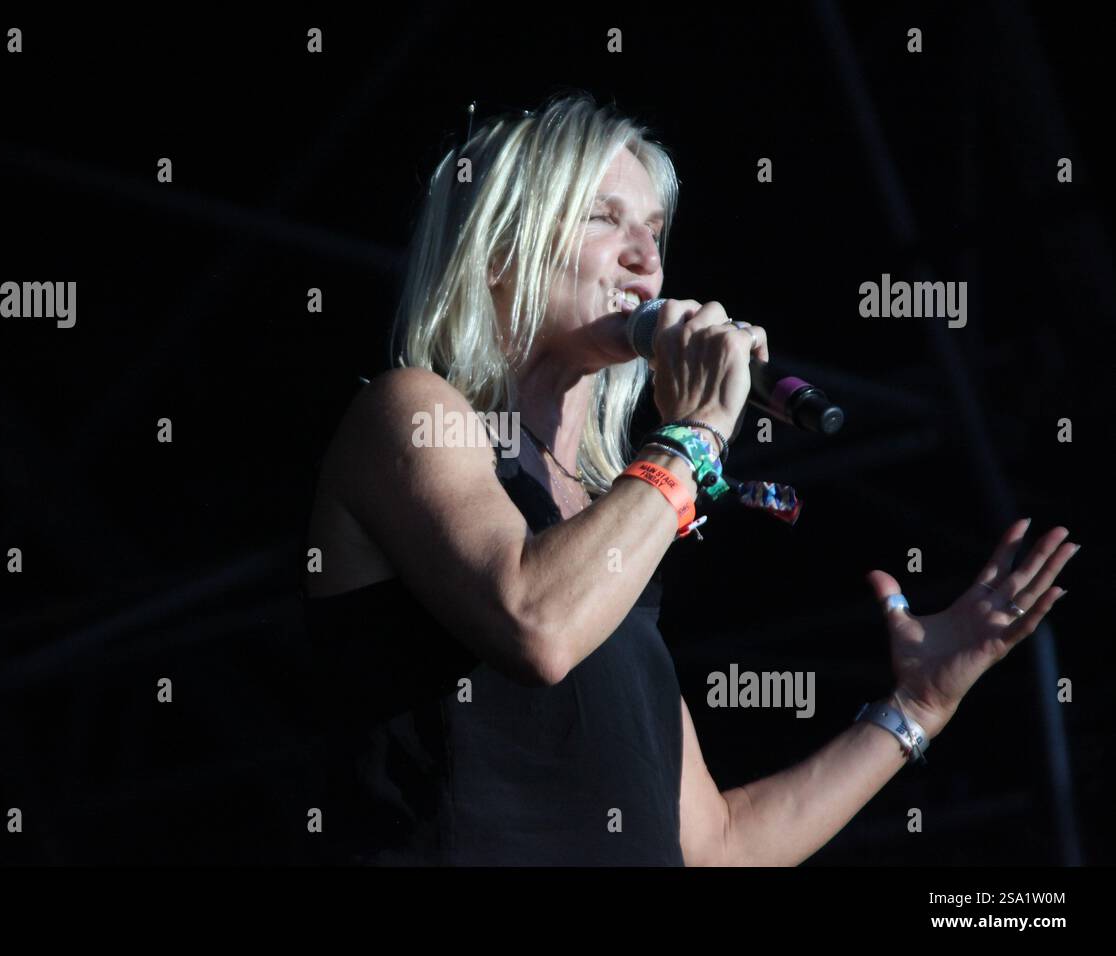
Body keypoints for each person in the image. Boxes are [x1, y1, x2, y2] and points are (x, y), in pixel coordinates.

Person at [299, 92, 1078, 865]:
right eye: (603, 218)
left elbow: (716, 846)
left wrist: (916, 706)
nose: (648, 258)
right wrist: (697, 433)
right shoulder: (410, 413)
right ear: (501, 244)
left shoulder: (608, 529)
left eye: (655, 230)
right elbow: (535, 624)